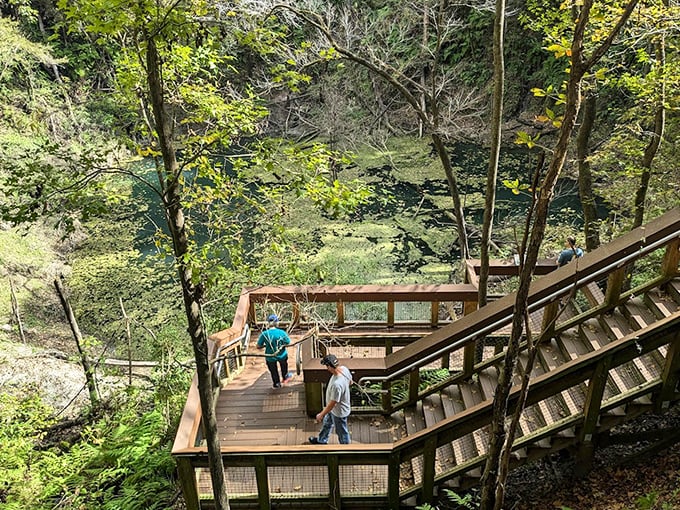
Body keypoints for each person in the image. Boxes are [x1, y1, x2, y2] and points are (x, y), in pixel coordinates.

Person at [309, 354, 352, 445]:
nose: (326, 368)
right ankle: (322, 440)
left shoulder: (337, 384)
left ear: (329, 366)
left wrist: (321, 414)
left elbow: (333, 403)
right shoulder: (344, 369)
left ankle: (346, 449)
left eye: (326, 366)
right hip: (332, 410)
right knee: (327, 424)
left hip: (338, 412)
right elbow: (350, 382)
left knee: (342, 432)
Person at [257, 314, 292, 388]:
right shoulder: (282, 332)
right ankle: (285, 377)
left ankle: (277, 383)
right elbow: (288, 342)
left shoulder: (264, 334)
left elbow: (258, 346)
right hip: (282, 355)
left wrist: (266, 345)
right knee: (284, 366)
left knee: (273, 370)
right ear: (277, 322)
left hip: (270, 356)